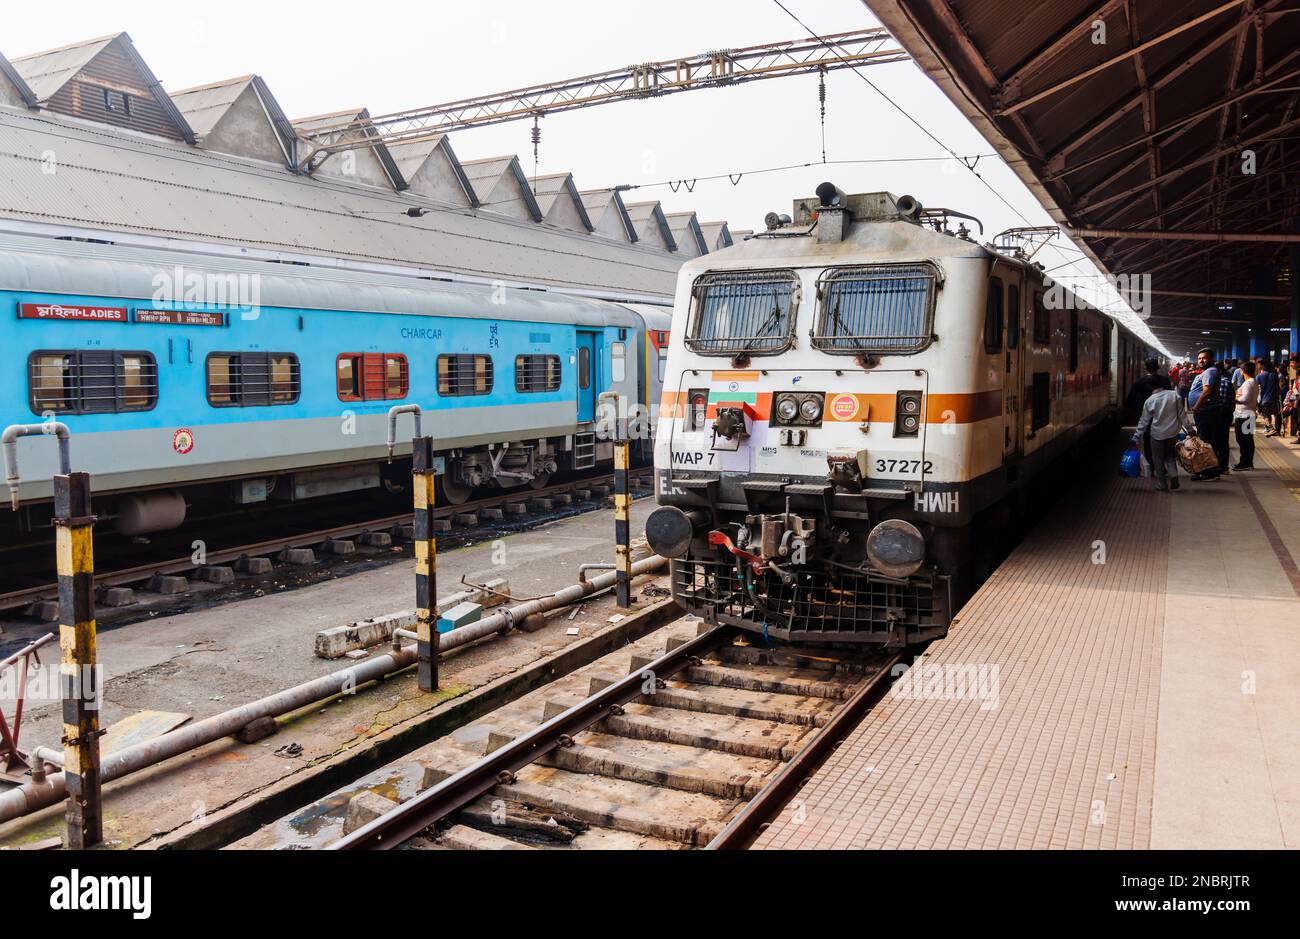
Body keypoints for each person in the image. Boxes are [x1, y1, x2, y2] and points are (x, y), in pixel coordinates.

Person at [1130, 386, 1197, 492]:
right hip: (1173, 433)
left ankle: (1162, 484)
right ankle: (1174, 476)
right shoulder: (1175, 395)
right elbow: (1182, 415)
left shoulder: (1150, 400)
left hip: (1157, 434)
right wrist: (1190, 429)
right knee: (1170, 456)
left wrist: (1136, 437)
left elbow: (1144, 421)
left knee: (1158, 459)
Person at [1188, 348, 1231, 478]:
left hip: (1206, 411)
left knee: (1206, 442)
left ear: (1211, 359)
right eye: (1200, 358)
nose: (1201, 360)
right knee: (1207, 440)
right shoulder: (1208, 371)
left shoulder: (1210, 371)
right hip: (1206, 411)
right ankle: (1209, 470)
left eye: (1204, 358)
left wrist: (1196, 406)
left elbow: (1207, 391)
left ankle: (1208, 472)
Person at [1124, 358, 1173, 472]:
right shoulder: (1165, 380)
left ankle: (1151, 465)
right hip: (1162, 414)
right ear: (1159, 367)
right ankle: (1161, 465)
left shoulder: (1140, 382)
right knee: (1161, 439)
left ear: (1145, 368)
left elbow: (1130, 399)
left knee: (1147, 440)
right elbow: (1170, 397)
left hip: (1147, 415)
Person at [1233, 360, 1258, 471]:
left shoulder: (1248, 383)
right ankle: (1247, 462)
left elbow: (1245, 399)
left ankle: (1245, 463)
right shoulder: (1253, 381)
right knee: (1247, 439)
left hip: (1245, 415)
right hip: (1248, 414)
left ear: (1242, 371)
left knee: (1243, 439)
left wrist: (1235, 398)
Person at [1257, 359, 1280, 436]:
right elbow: (1278, 387)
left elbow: (1257, 388)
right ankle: (1277, 430)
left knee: (1266, 415)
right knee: (1276, 414)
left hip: (1264, 399)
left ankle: (1271, 428)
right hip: (1274, 399)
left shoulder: (1259, 376)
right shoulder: (1275, 375)